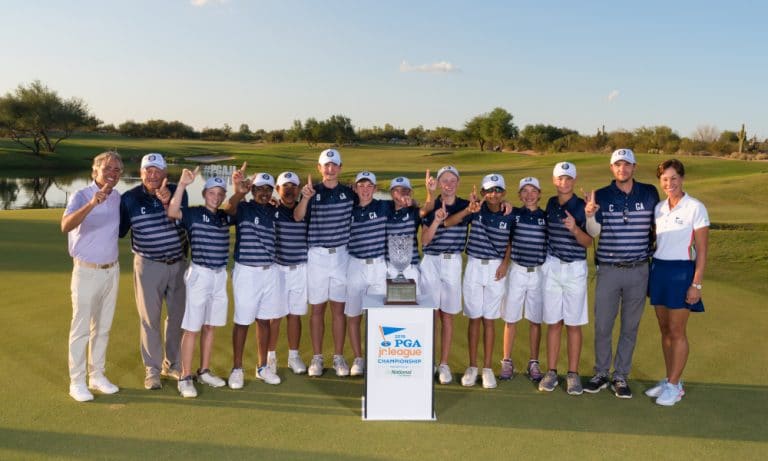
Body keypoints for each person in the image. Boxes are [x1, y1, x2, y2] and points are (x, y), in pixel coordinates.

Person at [583, 149, 660, 399]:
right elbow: (593, 232)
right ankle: (601, 373)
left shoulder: (649, 192)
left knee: (630, 327)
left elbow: (658, 225)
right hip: (608, 270)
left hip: (639, 270)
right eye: (618, 165)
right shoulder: (602, 195)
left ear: (634, 167)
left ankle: (620, 375)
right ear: (611, 168)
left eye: (627, 164)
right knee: (603, 326)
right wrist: (590, 214)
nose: (622, 169)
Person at [120, 153, 188, 390]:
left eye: (157, 170)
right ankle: (152, 370)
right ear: (141, 173)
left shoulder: (179, 191)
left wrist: (169, 201)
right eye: (148, 170)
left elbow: (182, 221)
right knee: (150, 320)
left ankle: (173, 364)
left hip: (178, 264)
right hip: (148, 265)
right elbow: (118, 230)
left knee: (177, 317)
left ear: (164, 173)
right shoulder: (129, 198)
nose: (152, 175)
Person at [646, 159, 709, 406]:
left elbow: (702, 251)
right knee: (664, 330)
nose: (669, 183)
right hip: (659, 270)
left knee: (677, 331)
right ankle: (671, 378)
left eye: (674, 178)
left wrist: (697, 284)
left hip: (682, 272)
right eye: (664, 179)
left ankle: (674, 386)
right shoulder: (659, 208)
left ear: (682, 178)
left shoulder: (695, 207)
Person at [62, 151, 124, 402]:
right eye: (108, 168)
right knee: (81, 329)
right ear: (94, 171)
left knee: (103, 328)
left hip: (112, 270)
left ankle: (96, 375)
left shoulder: (117, 196)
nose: (112, 173)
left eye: (117, 170)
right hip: (86, 270)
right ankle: (76, 382)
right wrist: (91, 204)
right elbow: (65, 225)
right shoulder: (81, 195)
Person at [167, 169, 233, 398]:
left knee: (210, 326)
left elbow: (238, 207)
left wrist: (242, 189)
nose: (216, 197)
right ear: (204, 194)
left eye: (220, 193)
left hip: (219, 276)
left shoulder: (224, 216)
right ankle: (185, 376)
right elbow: (173, 210)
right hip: (200, 274)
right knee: (192, 328)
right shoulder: (194, 214)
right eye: (212, 193)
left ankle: (204, 370)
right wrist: (182, 185)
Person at [444, 174, 514, 389]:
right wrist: (468, 209)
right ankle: (472, 366)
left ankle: (487, 368)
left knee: (489, 319)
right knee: (474, 318)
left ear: (503, 193)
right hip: (474, 266)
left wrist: (505, 263)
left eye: (498, 190)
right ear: (483, 193)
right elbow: (448, 223)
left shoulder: (511, 213)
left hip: (496, 269)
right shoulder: (474, 209)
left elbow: (512, 240)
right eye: (489, 191)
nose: (493, 194)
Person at [293, 149, 357, 377]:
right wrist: (306, 198)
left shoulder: (350, 194)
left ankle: (339, 357)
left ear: (340, 168)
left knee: (339, 310)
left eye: (334, 165)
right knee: (317, 309)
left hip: (341, 255)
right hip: (317, 256)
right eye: (325, 165)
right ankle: (317, 357)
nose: (330, 169)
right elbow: (298, 217)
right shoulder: (311, 192)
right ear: (319, 168)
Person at [224, 168, 283, 387]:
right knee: (242, 321)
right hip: (247, 272)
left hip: (270, 271)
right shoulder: (244, 208)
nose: (264, 193)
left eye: (268, 189)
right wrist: (238, 191)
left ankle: (262, 367)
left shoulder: (274, 210)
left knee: (264, 321)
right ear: (253, 190)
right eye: (260, 189)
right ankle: (237, 369)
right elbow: (228, 210)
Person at [538, 162, 593, 395]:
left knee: (573, 323)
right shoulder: (551, 203)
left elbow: (588, 242)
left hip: (575, 269)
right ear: (554, 180)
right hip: (552, 267)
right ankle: (551, 371)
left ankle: (572, 374)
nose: (564, 182)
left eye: (568, 178)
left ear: (574, 179)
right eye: (560, 178)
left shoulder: (582, 207)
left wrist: (574, 228)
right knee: (553, 322)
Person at [420, 165, 471, 385]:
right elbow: (424, 241)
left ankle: (444, 364)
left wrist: (506, 204)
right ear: (439, 183)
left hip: (452, 262)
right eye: (444, 181)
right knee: (430, 314)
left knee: (447, 316)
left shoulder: (466, 206)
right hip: (430, 261)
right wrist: (437, 220)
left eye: (452, 180)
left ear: (458, 183)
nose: (448, 184)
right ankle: (429, 361)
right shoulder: (430, 206)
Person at [500, 177, 548, 383]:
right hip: (517, 270)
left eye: (533, 190)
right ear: (519, 195)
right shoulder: (514, 214)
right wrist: (504, 262)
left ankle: (533, 362)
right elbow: (508, 241)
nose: (529, 195)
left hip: (538, 272)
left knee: (535, 319)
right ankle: (506, 361)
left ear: (539, 193)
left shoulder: (545, 217)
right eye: (525, 191)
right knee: (511, 318)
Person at [345, 171, 391, 376]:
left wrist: (413, 200)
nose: (365, 189)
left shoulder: (384, 206)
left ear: (375, 188)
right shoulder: (348, 210)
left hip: (378, 267)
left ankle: (376, 356)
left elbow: (409, 204)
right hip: (355, 265)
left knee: (377, 315)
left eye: (369, 185)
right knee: (353, 315)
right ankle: (358, 358)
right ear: (355, 188)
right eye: (360, 185)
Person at [273, 171, 309, 374]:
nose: (290, 191)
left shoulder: (305, 209)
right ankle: (270, 357)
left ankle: (293, 356)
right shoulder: (271, 209)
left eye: (294, 187)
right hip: (277, 269)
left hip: (300, 269)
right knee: (274, 316)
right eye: (285, 187)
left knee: (295, 315)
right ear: (278, 190)